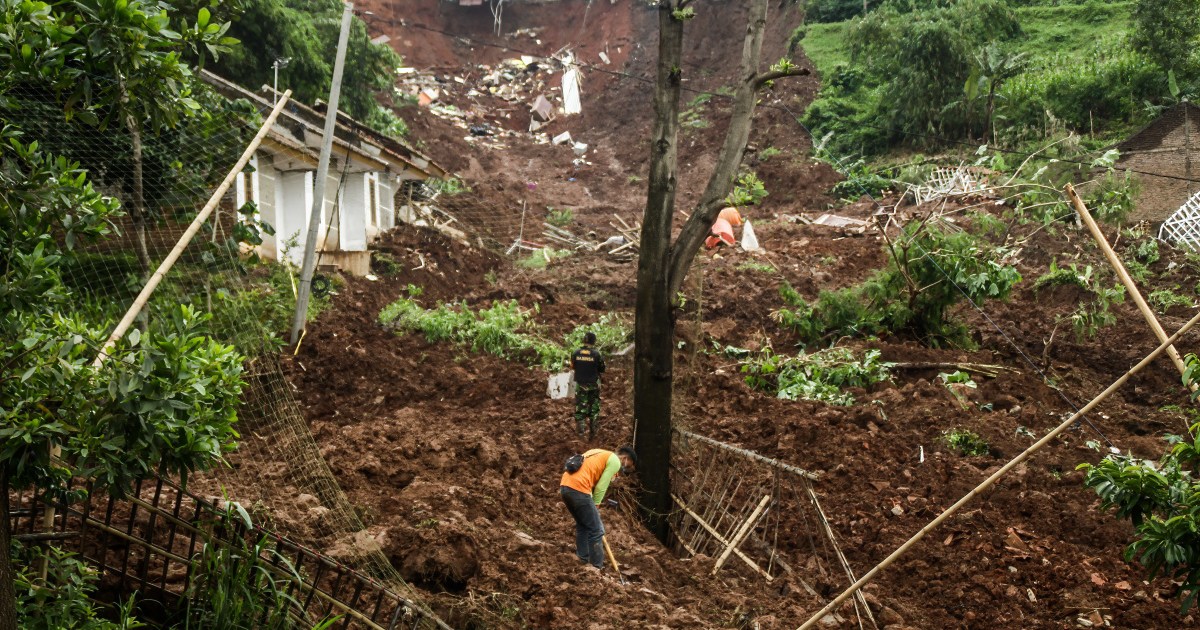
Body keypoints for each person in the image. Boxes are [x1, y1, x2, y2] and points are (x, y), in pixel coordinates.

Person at [559, 446, 637, 569]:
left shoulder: (598, 453)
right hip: (579, 489)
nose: (623, 469)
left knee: (583, 525)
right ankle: (596, 567)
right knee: (596, 530)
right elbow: (601, 486)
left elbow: (587, 473)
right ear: (625, 458)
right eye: (627, 466)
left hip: (565, 487)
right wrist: (596, 504)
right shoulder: (615, 461)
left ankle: (582, 559)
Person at [570, 331, 606, 439]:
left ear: (584, 341)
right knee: (594, 409)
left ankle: (580, 436)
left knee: (580, 410)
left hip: (581, 385)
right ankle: (593, 435)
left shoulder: (575, 353)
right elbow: (602, 368)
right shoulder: (596, 354)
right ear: (593, 341)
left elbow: (573, 366)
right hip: (593, 385)